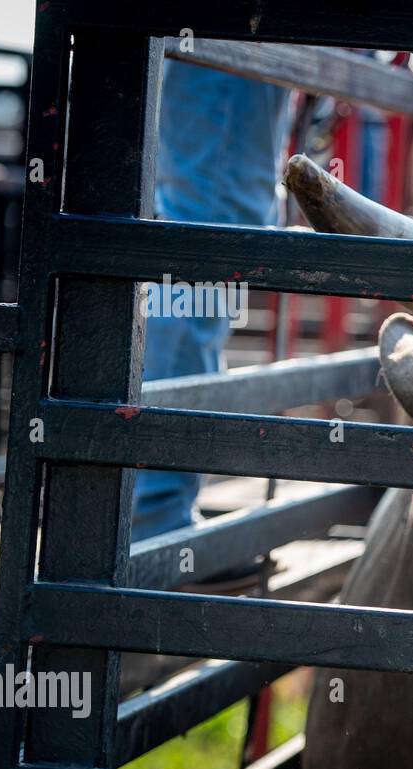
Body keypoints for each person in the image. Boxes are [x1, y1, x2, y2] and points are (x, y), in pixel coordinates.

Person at [132, 60, 293, 542]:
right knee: (208, 236)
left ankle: (153, 505)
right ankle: (154, 514)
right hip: (234, 37)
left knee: (208, 228)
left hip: (231, 43)